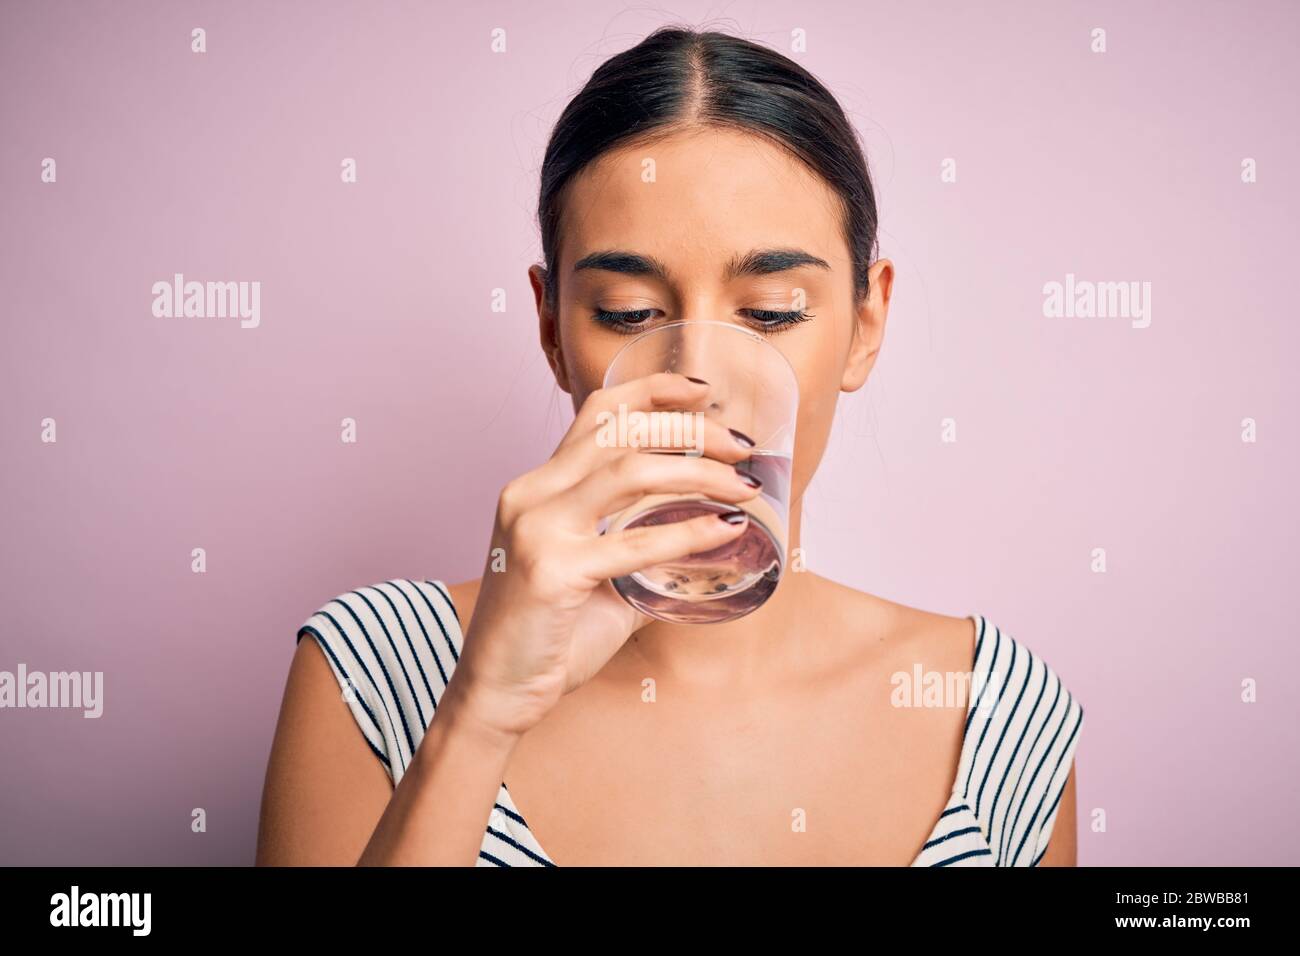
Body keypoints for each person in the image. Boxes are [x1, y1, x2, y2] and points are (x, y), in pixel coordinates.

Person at [256, 26, 1084, 867]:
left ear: (867, 325)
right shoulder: (370, 672)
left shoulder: (999, 716)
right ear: (550, 328)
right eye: (628, 313)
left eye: (769, 312)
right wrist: (481, 714)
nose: (701, 381)